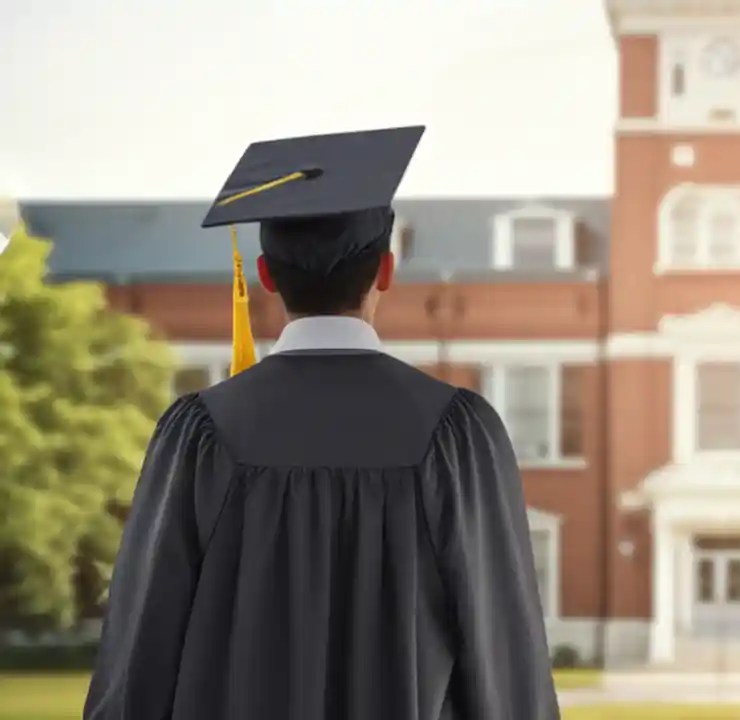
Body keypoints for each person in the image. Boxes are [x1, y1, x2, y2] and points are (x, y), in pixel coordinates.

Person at [84, 126, 560, 719]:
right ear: (385, 270)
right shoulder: (458, 432)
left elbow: (139, 659)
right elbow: (503, 661)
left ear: (266, 275)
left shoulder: (199, 432)